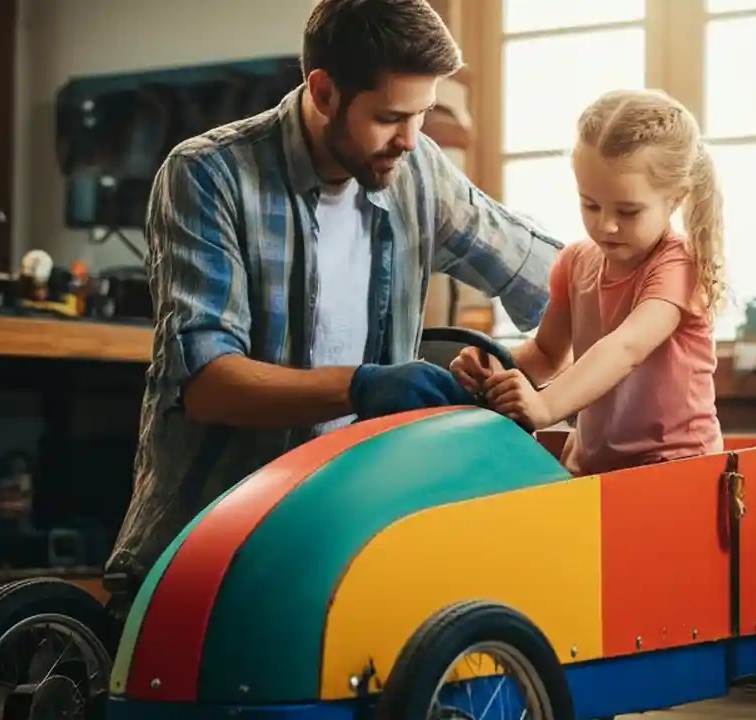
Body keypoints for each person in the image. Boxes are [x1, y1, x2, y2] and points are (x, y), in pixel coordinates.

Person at [104, 0, 564, 597]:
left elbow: (561, 283)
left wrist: (640, 285)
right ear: (323, 92)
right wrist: (362, 386)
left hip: (361, 536)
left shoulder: (419, 168)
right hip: (217, 539)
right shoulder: (208, 175)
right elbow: (208, 383)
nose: (410, 139)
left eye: (422, 114)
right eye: (390, 116)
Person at [450, 88, 725, 476]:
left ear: (675, 199)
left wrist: (545, 407)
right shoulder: (576, 261)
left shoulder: (678, 264)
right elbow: (548, 355)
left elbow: (625, 347)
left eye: (628, 211)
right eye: (590, 204)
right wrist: (495, 369)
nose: (605, 225)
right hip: (595, 469)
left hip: (677, 469)